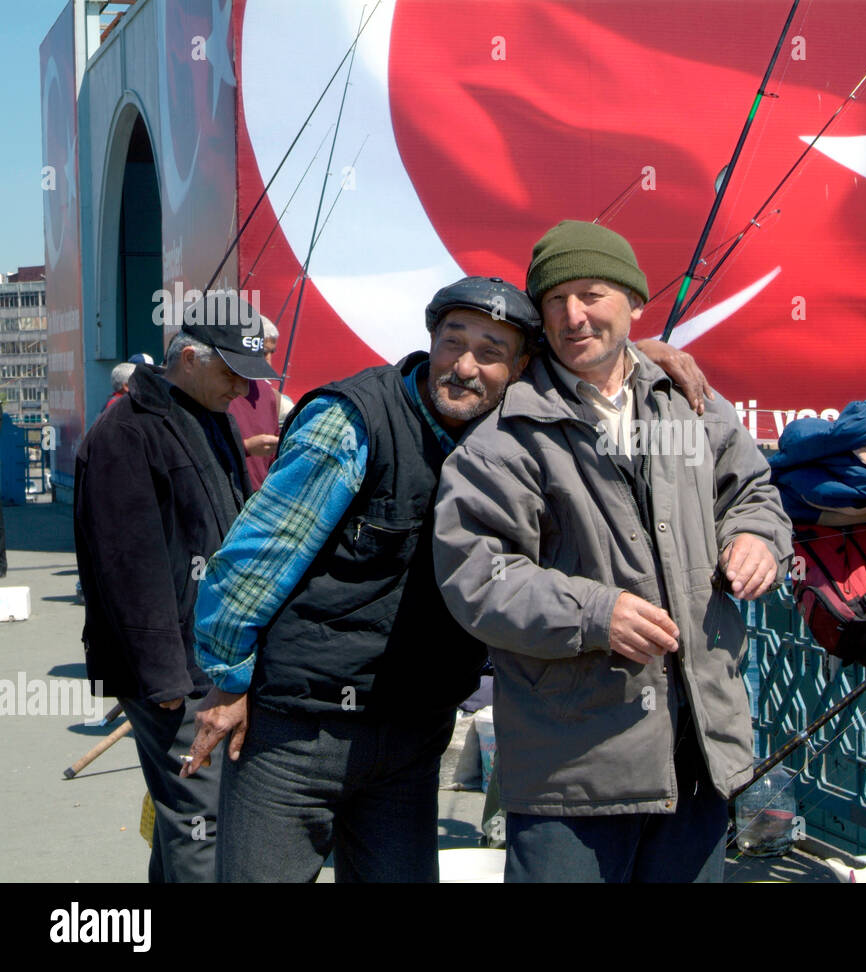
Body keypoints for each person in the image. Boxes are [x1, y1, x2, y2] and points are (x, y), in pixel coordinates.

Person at [184, 274, 712, 882]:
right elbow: (255, 560)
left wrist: (641, 354)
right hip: (300, 734)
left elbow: (586, 359)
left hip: (412, 736)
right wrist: (226, 682)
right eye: (451, 343)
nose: (464, 367)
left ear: (521, 367)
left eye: (490, 353)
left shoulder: (508, 436)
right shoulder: (353, 421)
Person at [433, 221, 794, 883]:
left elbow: (754, 491)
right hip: (574, 769)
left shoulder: (694, 406)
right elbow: (476, 573)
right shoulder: (505, 435)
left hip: (698, 756)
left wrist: (758, 538)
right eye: (556, 301)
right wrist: (595, 613)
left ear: (634, 303)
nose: (575, 316)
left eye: (592, 294)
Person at [73, 303, 276, 882]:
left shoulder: (213, 416)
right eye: (232, 372)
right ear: (188, 358)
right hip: (175, 673)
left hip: (213, 657)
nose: (243, 388)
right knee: (201, 820)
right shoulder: (125, 434)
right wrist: (166, 679)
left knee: (188, 816)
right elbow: (125, 569)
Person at [226, 317, 283, 490]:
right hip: (227, 496)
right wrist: (246, 447)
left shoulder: (269, 394)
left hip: (257, 502)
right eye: (263, 352)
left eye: (271, 353)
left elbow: (273, 458)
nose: (269, 362)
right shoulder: (220, 389)